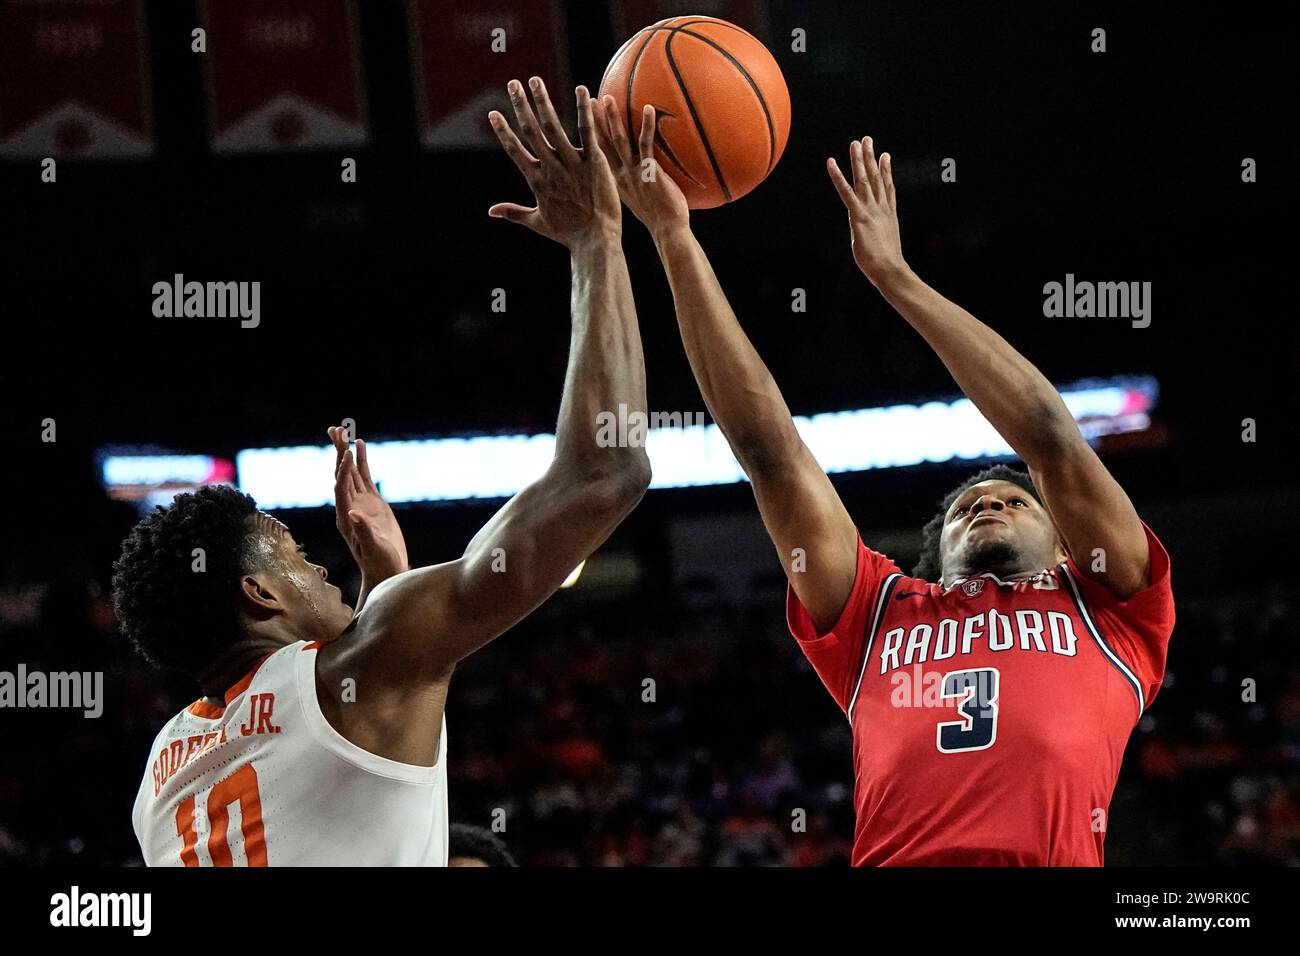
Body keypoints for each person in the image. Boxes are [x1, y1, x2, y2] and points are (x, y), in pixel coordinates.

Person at [599, 99, 1174, 865]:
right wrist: (674, 237)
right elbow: (770, 450)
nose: (990, 504)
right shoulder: (877, 613)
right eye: (970, 506)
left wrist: (896, 278)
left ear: (1067, 541)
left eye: (1012, 500)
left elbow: (1050, 437)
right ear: (932, 556)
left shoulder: (1113, 607)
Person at [114, 79, 650, 866]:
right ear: (258, 593)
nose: (320, 568)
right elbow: (605, 472)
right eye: (294, 556)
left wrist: (384, 589)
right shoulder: (360, 666)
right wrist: (598, 241)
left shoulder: (163, 772)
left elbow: (306, 766)